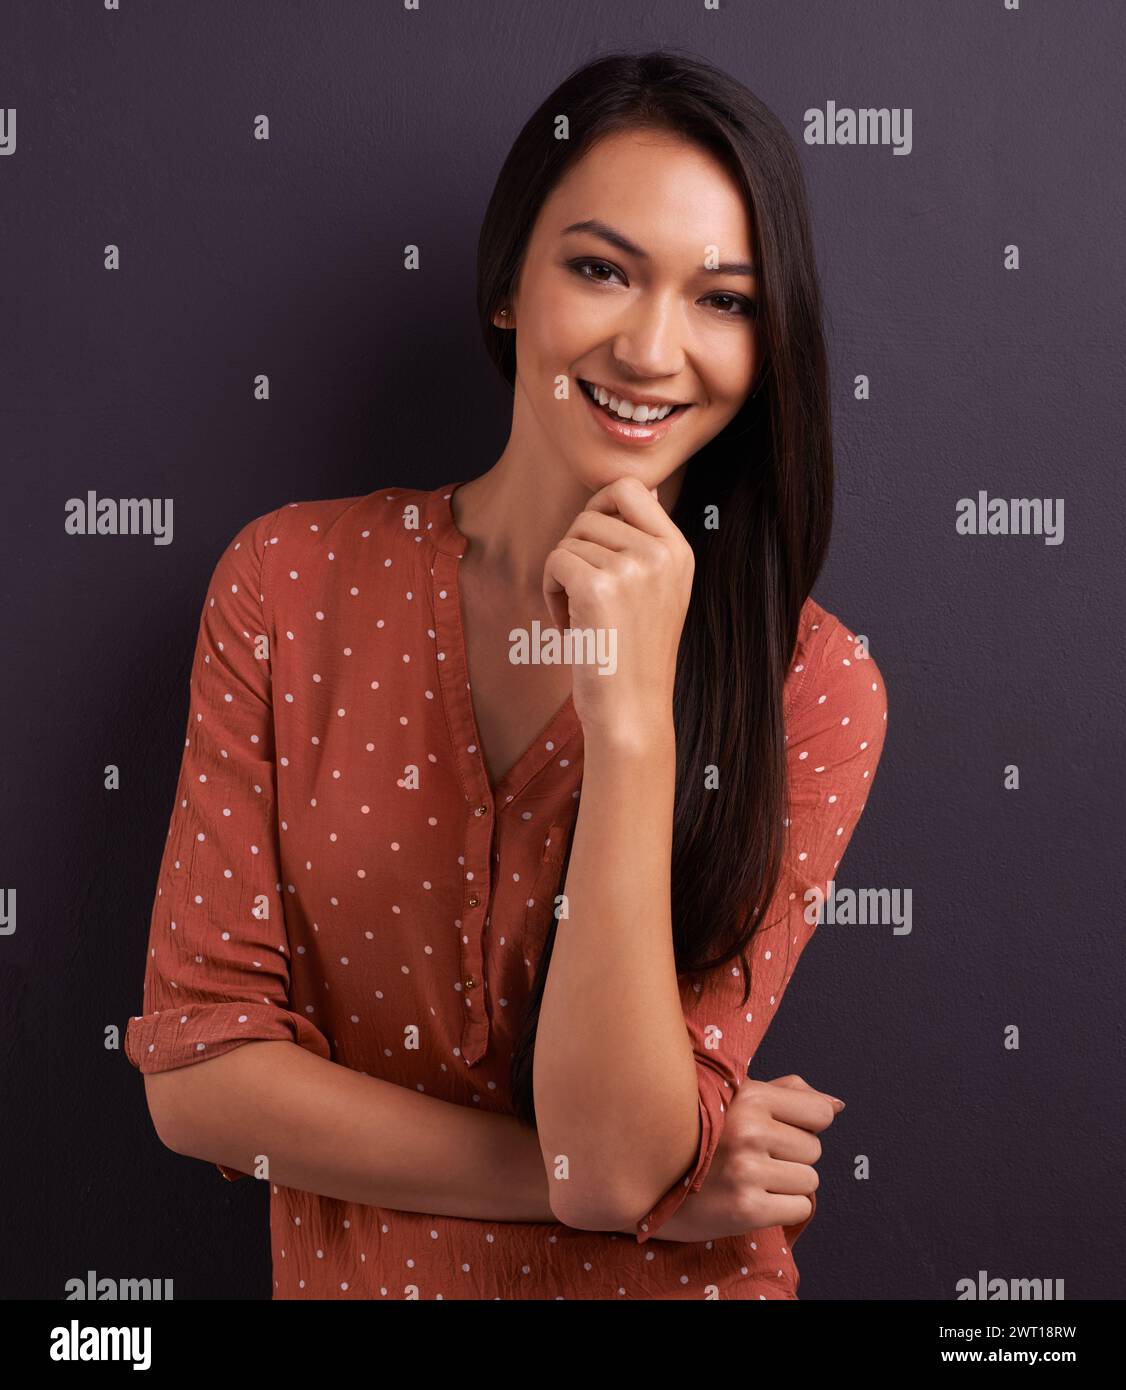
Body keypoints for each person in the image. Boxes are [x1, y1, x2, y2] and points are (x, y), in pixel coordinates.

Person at [124, 48, 888, 1300]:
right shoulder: (288, 583)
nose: (650, 348)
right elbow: (201, 1083)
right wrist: (640, 1175)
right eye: (600, 269)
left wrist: (632, 722)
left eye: (723, 300)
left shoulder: (814, 682)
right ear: (507, 286)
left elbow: (616, 1163)